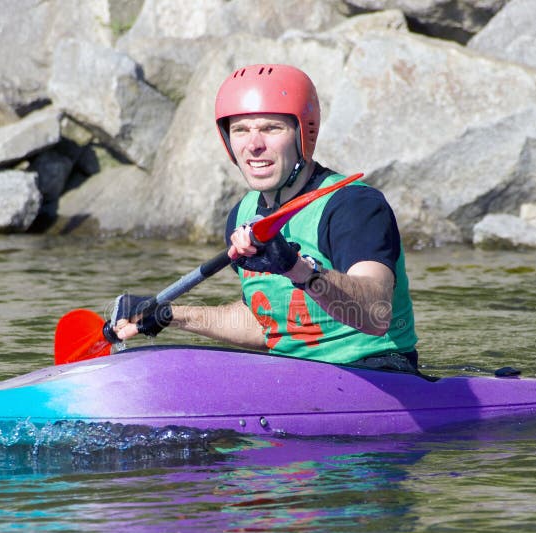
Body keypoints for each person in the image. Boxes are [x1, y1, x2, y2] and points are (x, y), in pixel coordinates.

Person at [112, 63, 419, 371]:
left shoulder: (353, 206)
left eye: (272, 128)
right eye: (241, 130)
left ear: (303, 135)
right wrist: (171, 314)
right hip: (295, 375)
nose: (254, 145)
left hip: (378, 371)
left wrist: (298, 269)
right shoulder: (241, 215)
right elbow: (266, 324)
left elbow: (376, 315)